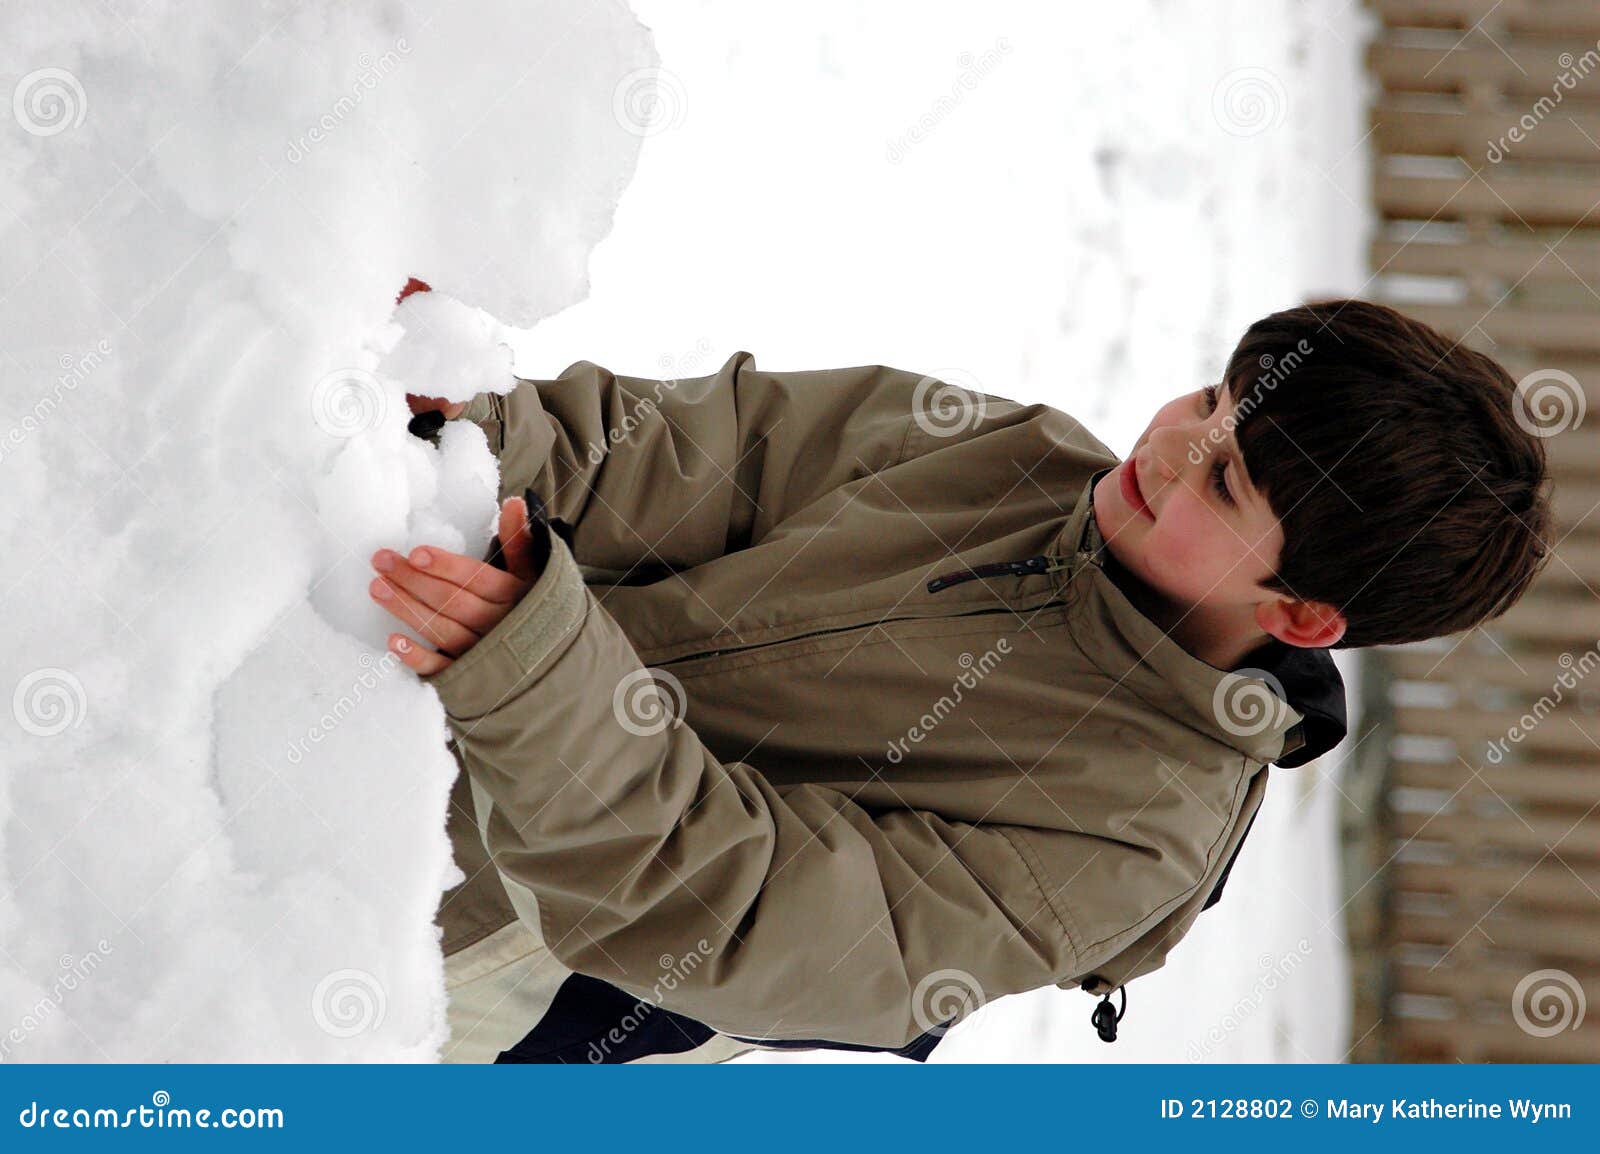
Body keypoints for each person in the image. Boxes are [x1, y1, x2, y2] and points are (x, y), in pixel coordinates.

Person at [375, 289, 1551, 1063]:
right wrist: (472, 428)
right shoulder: (1020, 459)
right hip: (421, 699)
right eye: (1209, 401)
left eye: (1227, 482)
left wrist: (533, 675)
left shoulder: (1122, 839)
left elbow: (723, 915)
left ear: (1298, 612)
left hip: (497, 962)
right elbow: (700, 456)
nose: (1168, 446)